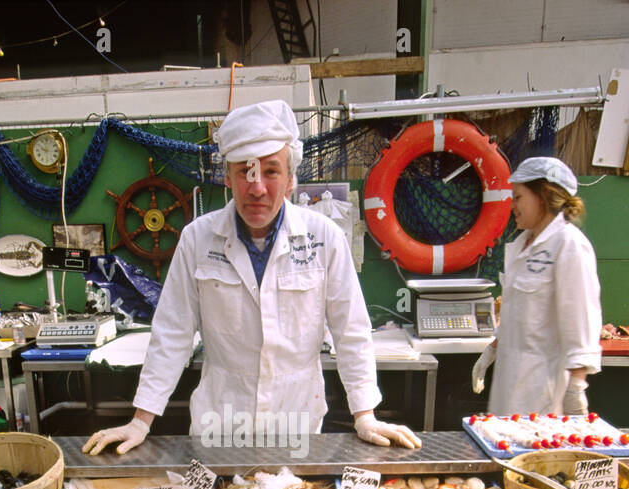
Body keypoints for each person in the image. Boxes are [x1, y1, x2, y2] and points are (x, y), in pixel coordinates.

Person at [84, 100, 419, 455]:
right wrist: (141, 421)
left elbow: (350, 331)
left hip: (297, 427)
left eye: (271, 171)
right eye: (244, 171)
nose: (256, 187)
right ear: (227, 178)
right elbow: (172, 334)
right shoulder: (198, 240)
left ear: (291, 179)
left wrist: (365, 414)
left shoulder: (324, 239)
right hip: (220, 426)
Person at [473, 156, 602, 416]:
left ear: (542, 196)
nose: (513, 206)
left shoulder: (569, 245)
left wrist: (577, 386)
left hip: (543, 389)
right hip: (509, 383)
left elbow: (582, 320)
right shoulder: (522, 246)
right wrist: (492, 349)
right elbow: (519, 314)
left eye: (519, 197)